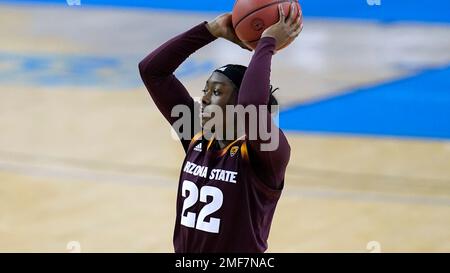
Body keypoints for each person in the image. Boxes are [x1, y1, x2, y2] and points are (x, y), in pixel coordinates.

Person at [139, 3, 302, 253]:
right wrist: (210, 30)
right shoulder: (196, 137)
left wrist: (267, 42)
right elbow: (152, 71)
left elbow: (252, 103)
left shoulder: (266, 152)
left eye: (216, 92)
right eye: (205, 90)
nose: (204, 99)